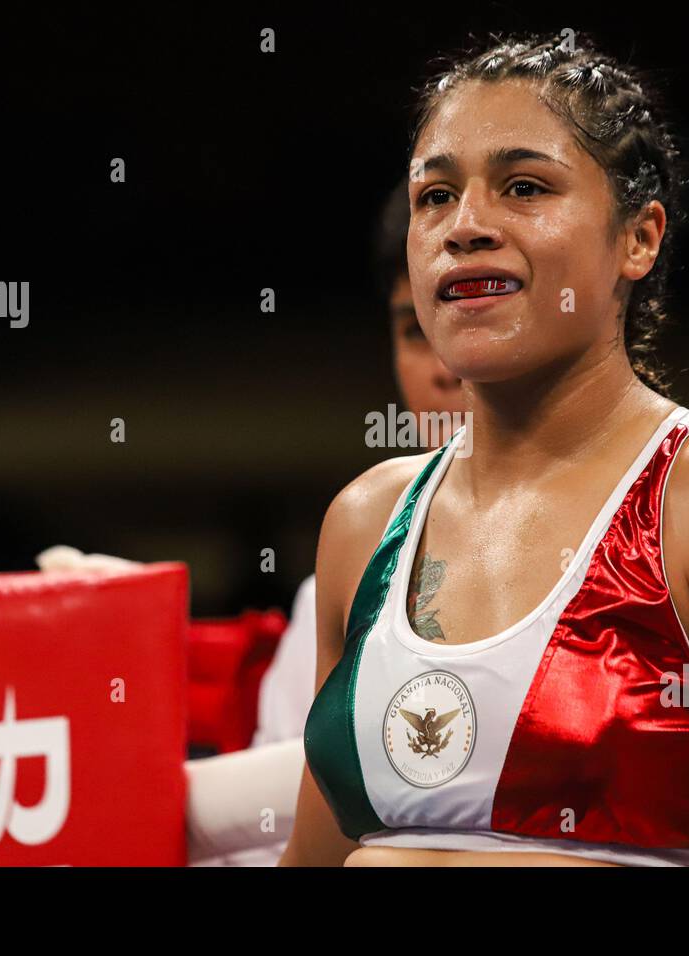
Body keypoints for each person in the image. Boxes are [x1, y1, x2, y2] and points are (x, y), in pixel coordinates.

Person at [282, 32, 689, 867]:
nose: (465, 226)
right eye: (435, 196)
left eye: (524, 187)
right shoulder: (365, 522)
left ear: (639, 238)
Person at [196, 180, 464, 866]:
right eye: (415, 329)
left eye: (470, 311)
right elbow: (269, 848)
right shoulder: (342, 580)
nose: (444, 367)